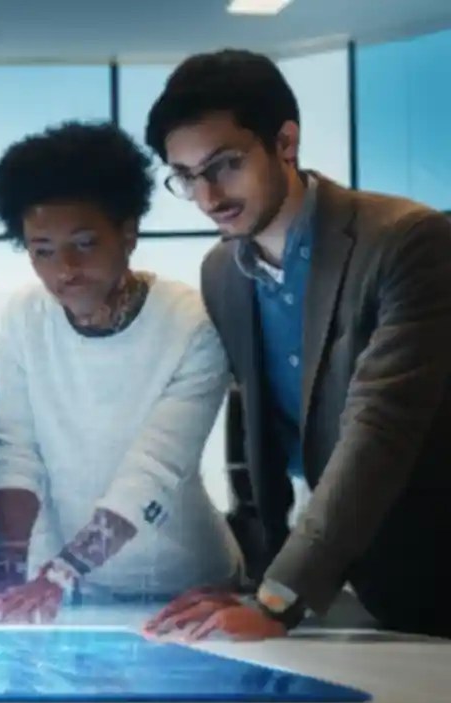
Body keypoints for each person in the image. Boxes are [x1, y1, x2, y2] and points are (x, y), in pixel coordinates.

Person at [141, 49, 451, 641]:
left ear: (285, 142)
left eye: (225, 165)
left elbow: (380, 431)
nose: (208, 197)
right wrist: (259, 583)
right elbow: (263, 446)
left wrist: (278, 599)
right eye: (186, 176)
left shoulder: (406, 241)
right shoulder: (222, 273)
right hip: (371, 599)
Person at [0, 122, 242, 625]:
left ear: (128, 233)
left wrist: (61, 573)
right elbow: (18, 450)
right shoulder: (24, 317)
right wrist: (11, 561)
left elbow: (153, 472)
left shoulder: (190, 323)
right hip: (66, 590)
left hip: (183, 585)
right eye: (42, 250)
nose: (64, 268)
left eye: (85, 243)